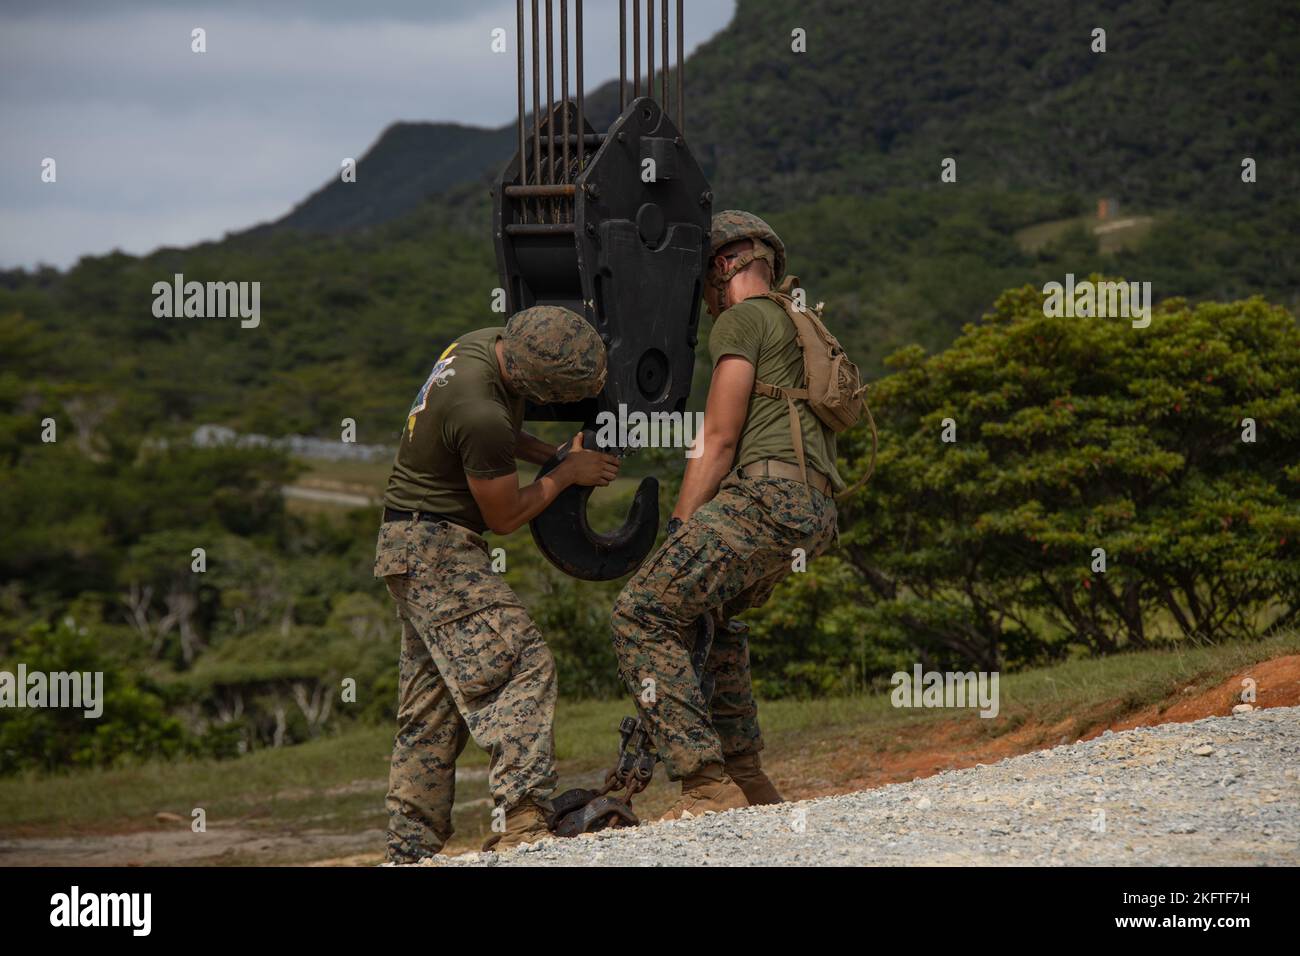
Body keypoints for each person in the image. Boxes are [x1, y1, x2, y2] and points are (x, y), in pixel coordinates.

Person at [610, 211, 841, 819]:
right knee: (714, 620)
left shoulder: (742, 320)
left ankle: (706, 785)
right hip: (813, 512)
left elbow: (717, 437)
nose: (705, 304)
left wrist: (681, 526)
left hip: (765, 502)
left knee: (643, 611)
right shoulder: (799, 321)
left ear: (721, 269)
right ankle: (747, 780)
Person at [376, 305, 620, 861]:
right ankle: (524, 820)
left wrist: (549, 452)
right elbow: (506, 516)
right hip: (437, 549)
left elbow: (502, 439)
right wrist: (566, 473)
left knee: (431, 709)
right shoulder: (478, 410)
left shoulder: (483, 344)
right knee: (520, 665)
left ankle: (410, 849)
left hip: (408, 545)